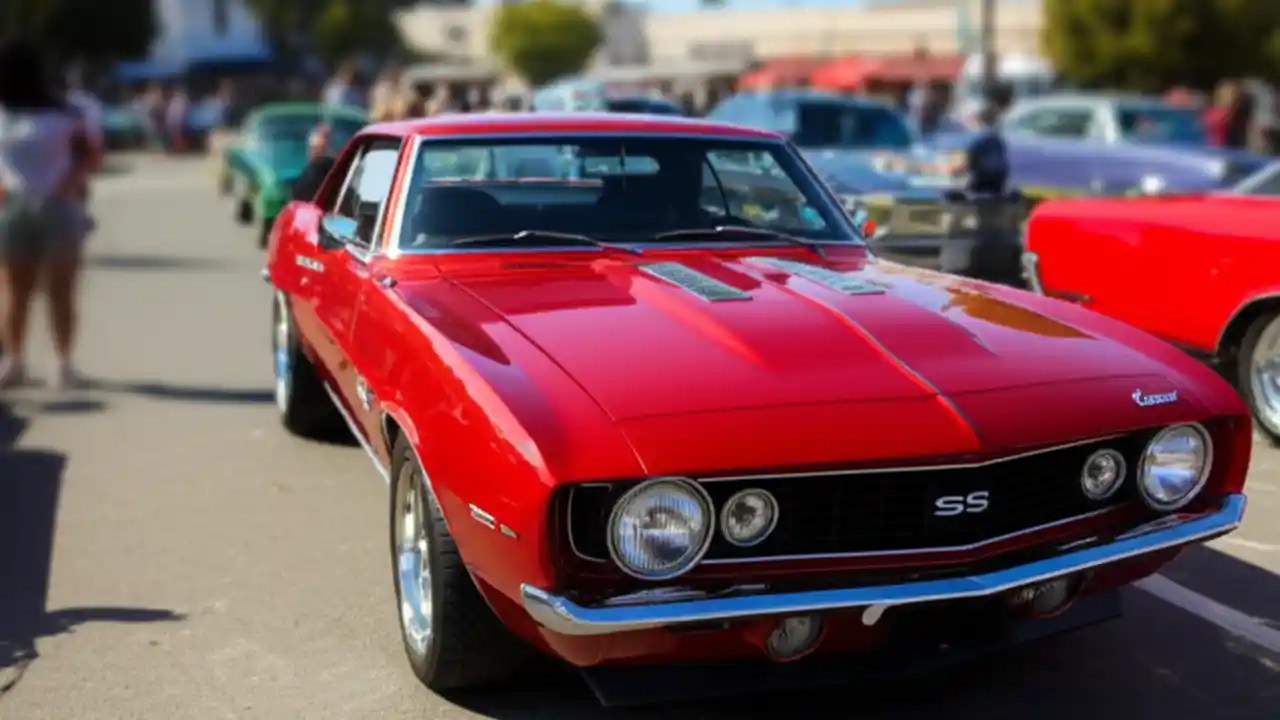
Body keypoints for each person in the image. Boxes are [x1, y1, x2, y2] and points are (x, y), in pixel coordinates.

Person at [0, 39, 97, 389]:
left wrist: (69, 184)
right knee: (15, 289)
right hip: (13, 205)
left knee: (60, 290)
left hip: (56, 205)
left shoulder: (64, 113)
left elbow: (89, 154)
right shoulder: (5, 113)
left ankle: (63, 362)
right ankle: (15, 362)